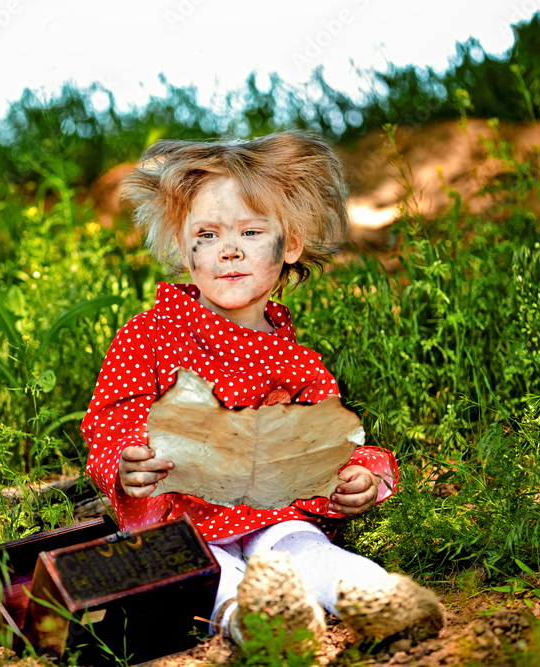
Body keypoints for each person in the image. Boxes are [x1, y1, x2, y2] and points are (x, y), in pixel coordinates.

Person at [80, 132, 445, 644]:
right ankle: (261, 625)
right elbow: (114, 413)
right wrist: (126, 458)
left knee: (304, 548)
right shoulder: (152, 333)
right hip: (175, 516)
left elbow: (330, 440)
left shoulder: (296, 361)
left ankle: (377, 596)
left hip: (270, 512)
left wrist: (361, 474)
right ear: (185, 250)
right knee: (202, 575)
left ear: (289, 244)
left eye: (251, 232)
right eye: (207, 235)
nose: (229, 250)